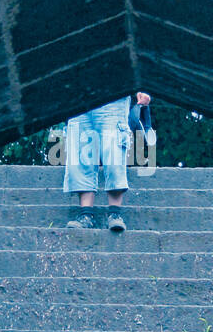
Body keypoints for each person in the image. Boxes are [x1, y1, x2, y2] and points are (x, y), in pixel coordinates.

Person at [63, 92, 152, 232]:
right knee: (81, 156)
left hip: (114, 95)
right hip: (78, 94)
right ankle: (86, 215)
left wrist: (141, 88)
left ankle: (115, 214)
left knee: (114, 154)